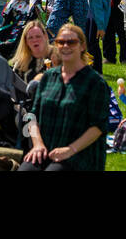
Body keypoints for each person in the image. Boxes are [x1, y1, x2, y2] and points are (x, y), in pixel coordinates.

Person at [20, 24, 111, 172]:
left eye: (71, 42)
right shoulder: (48, 77)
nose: (65, 46)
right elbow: (32, 116)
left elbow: (98, 126)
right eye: (60, 42)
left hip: (80, 155)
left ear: (82, 46)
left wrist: (70, 150)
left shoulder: (95, 83)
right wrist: (37, 145)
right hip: (45, 150)